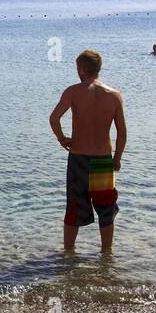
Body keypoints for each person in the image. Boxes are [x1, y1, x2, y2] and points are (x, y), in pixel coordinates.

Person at [49, 49, 127, 254]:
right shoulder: (114, 95)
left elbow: (54, 118)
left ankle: (68, 253)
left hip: (78, 158)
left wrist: (62, 139)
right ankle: (106, 253)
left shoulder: (73, 92)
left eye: (77, 68)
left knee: (74, 206)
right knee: (106, 208)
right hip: (103, 160)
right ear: (98, 69)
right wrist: (117, 158)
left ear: (82, 69)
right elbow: (122, 133)